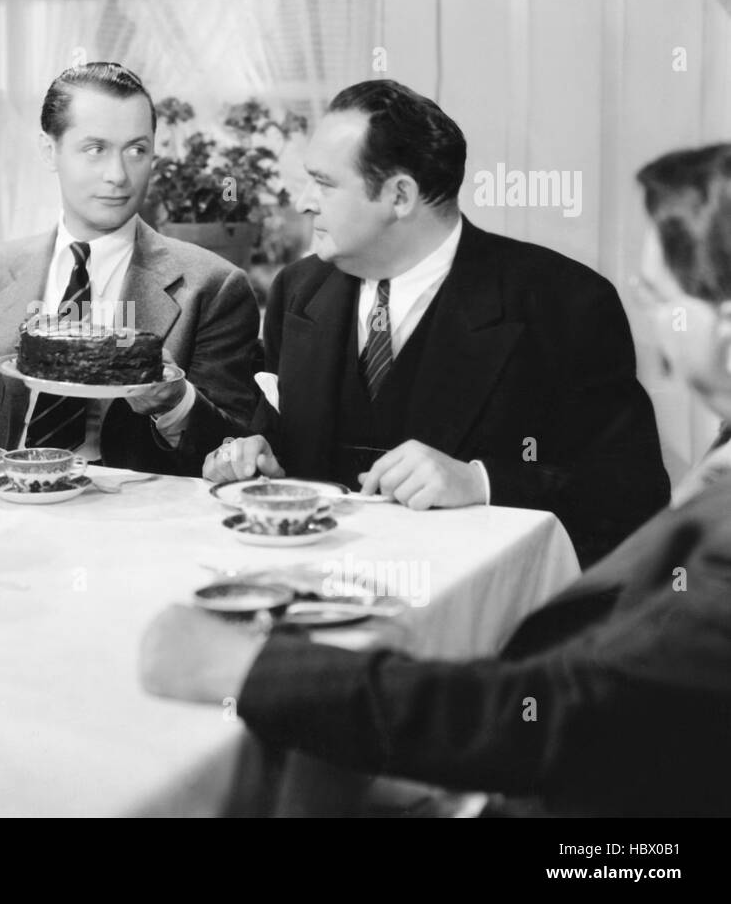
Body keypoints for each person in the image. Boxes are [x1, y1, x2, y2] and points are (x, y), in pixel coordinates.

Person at [140, 142, 731, 818]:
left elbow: (567, 707)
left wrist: (247, 670)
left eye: (661, 300)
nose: (654, 326)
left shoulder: (562, 299)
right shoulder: (302, 290)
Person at [203, 79, 668, 566]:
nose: (303, 201)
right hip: (311, 595)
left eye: (323, 183)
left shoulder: (565, 303)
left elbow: (633, 496)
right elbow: (284, 443)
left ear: (400, 195)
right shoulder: (297, 290)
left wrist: (480, 482)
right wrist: (258, 454)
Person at [0, 63, 260, 474]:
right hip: (10, 499)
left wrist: (175, 401)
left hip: (134, 518)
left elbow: (232, 449)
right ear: (49, 151)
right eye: (96, 149)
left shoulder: (213, 286)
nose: (118, 175)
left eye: (136, 150)